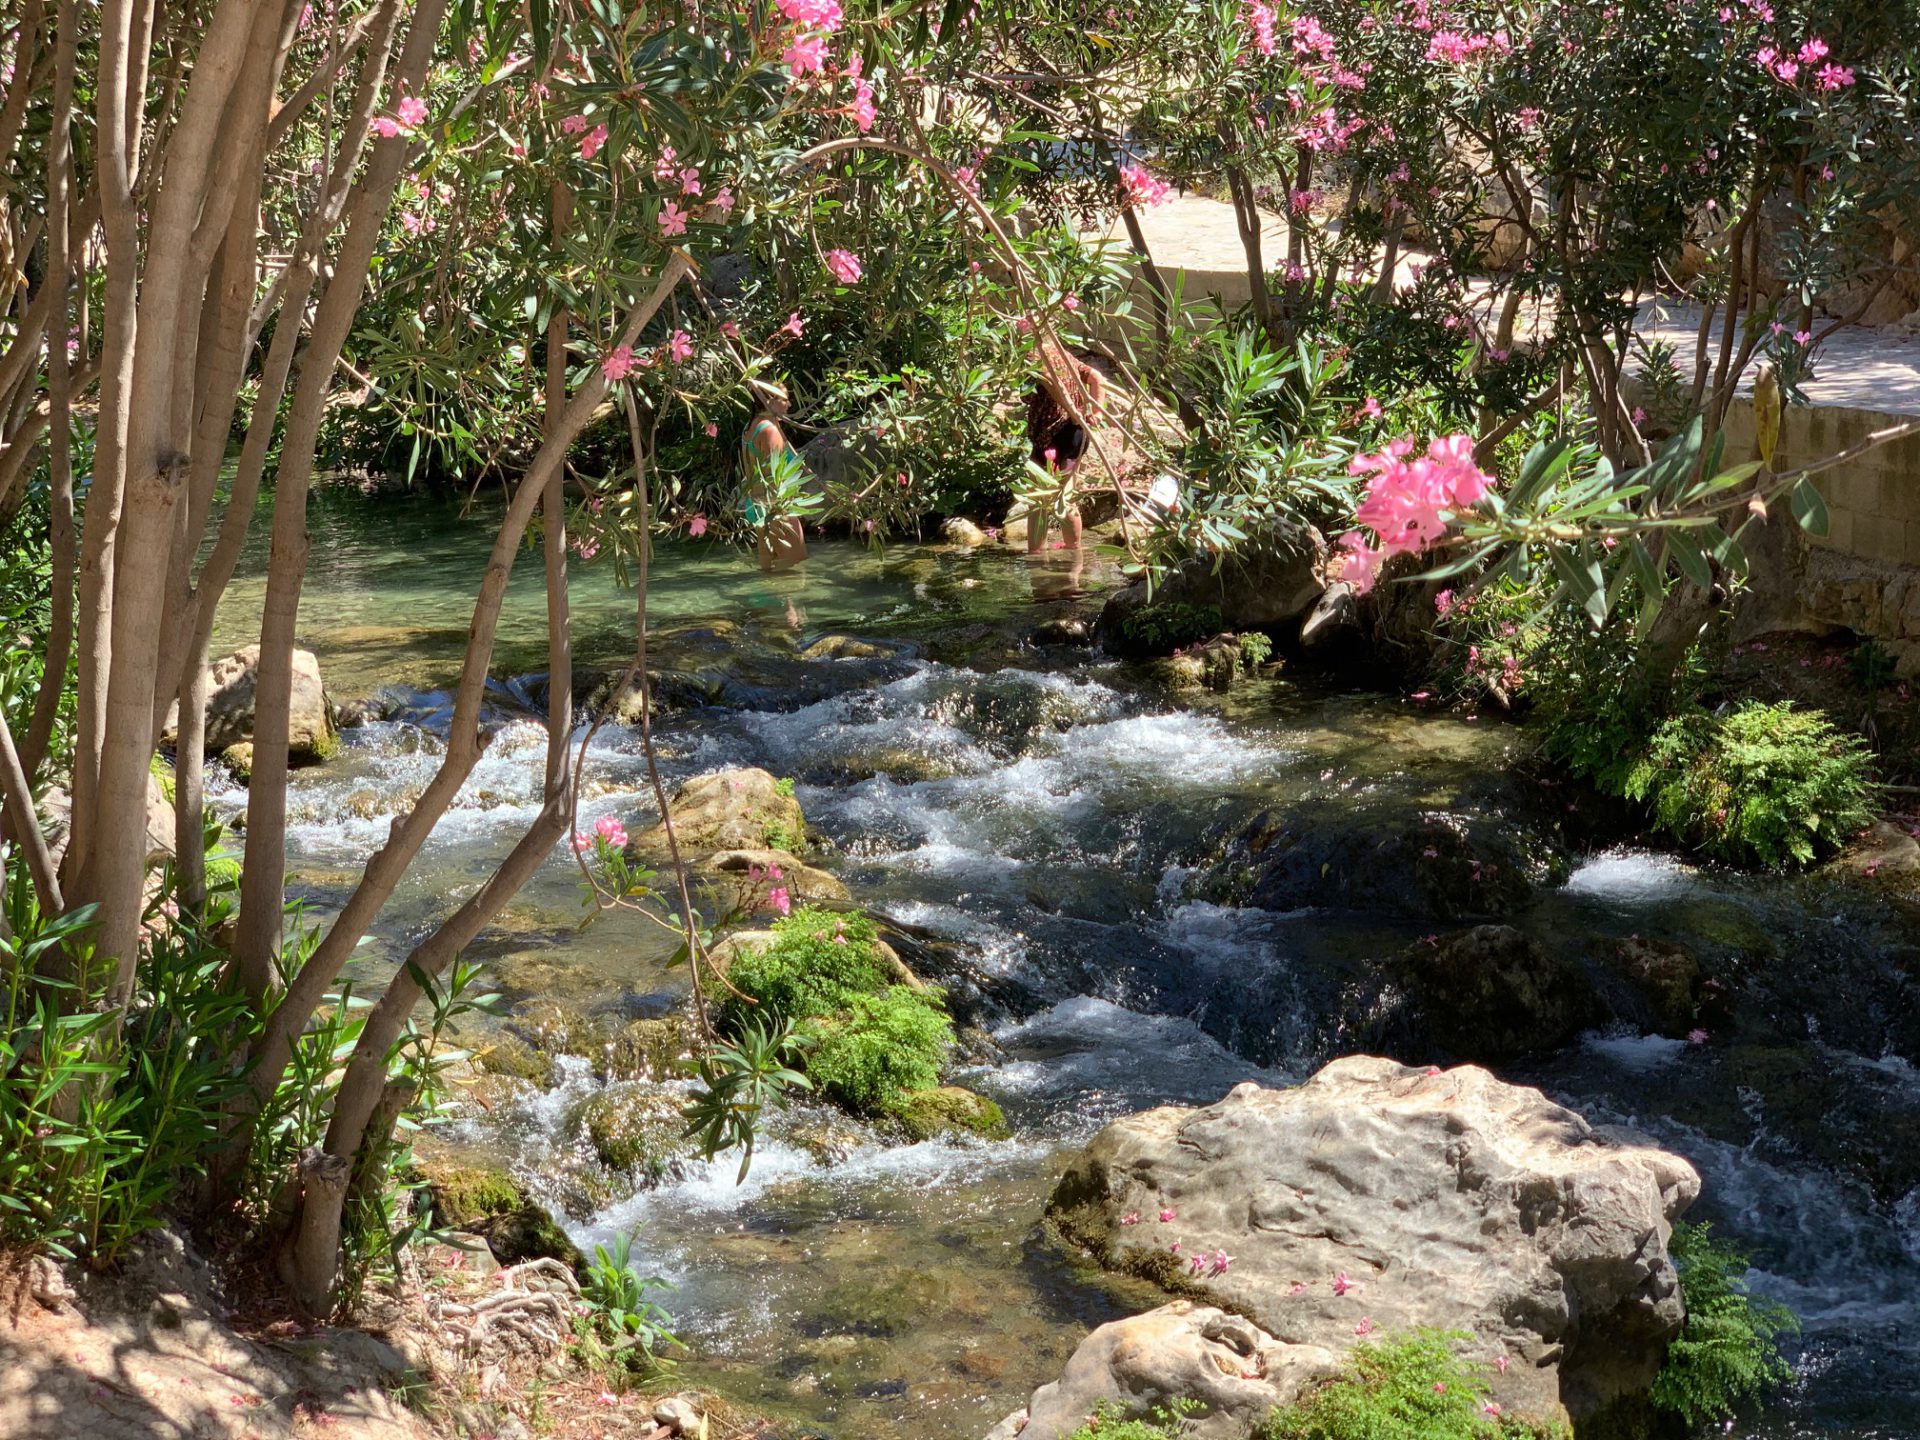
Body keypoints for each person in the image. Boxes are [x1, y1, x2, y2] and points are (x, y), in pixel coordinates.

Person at [1025, 340, 1105, 555]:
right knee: (1038, 498)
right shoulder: (1060, 352)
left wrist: (1075, 414)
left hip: (1064, 434)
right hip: (1058, 434)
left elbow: (1057, 388)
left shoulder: (1034, 359)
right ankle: (1043, 555)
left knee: (1060, 497)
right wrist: (1096, 412)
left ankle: (1072, 554)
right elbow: (1096, 377)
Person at [742, 378, 808, 570]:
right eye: (784, 399)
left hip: (756, 506)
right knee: (793, 572)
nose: (789, 404)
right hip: (776, 508)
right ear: (769, 400)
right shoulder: (770, 431)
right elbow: (775, 478)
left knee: (769, 572)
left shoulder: (752, 426)